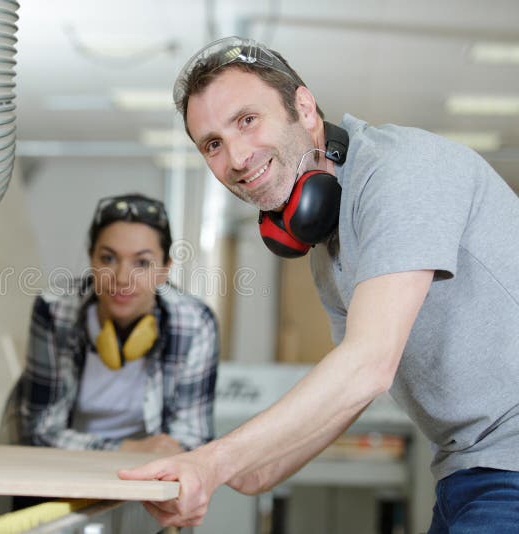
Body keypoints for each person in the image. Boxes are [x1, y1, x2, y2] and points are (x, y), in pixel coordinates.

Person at [118, 37, 519, 532]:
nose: (237, 158)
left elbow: (367, 367)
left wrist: (215, 462)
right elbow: (348, 393)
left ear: (304, 108)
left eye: (247, 120)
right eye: (213, 144)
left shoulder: (403, 173)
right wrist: (247, 468)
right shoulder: (327, 244)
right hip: (470, 470)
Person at [17, 193, 219, 455]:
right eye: (108, 258)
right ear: (91, 259)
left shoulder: (195, 324)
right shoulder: (55, 311)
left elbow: (194, 441)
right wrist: (127, 448)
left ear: (164, 269)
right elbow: (39, 432)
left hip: (150, 473)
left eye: (142, 263)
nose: (122, 278)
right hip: (67, 467)